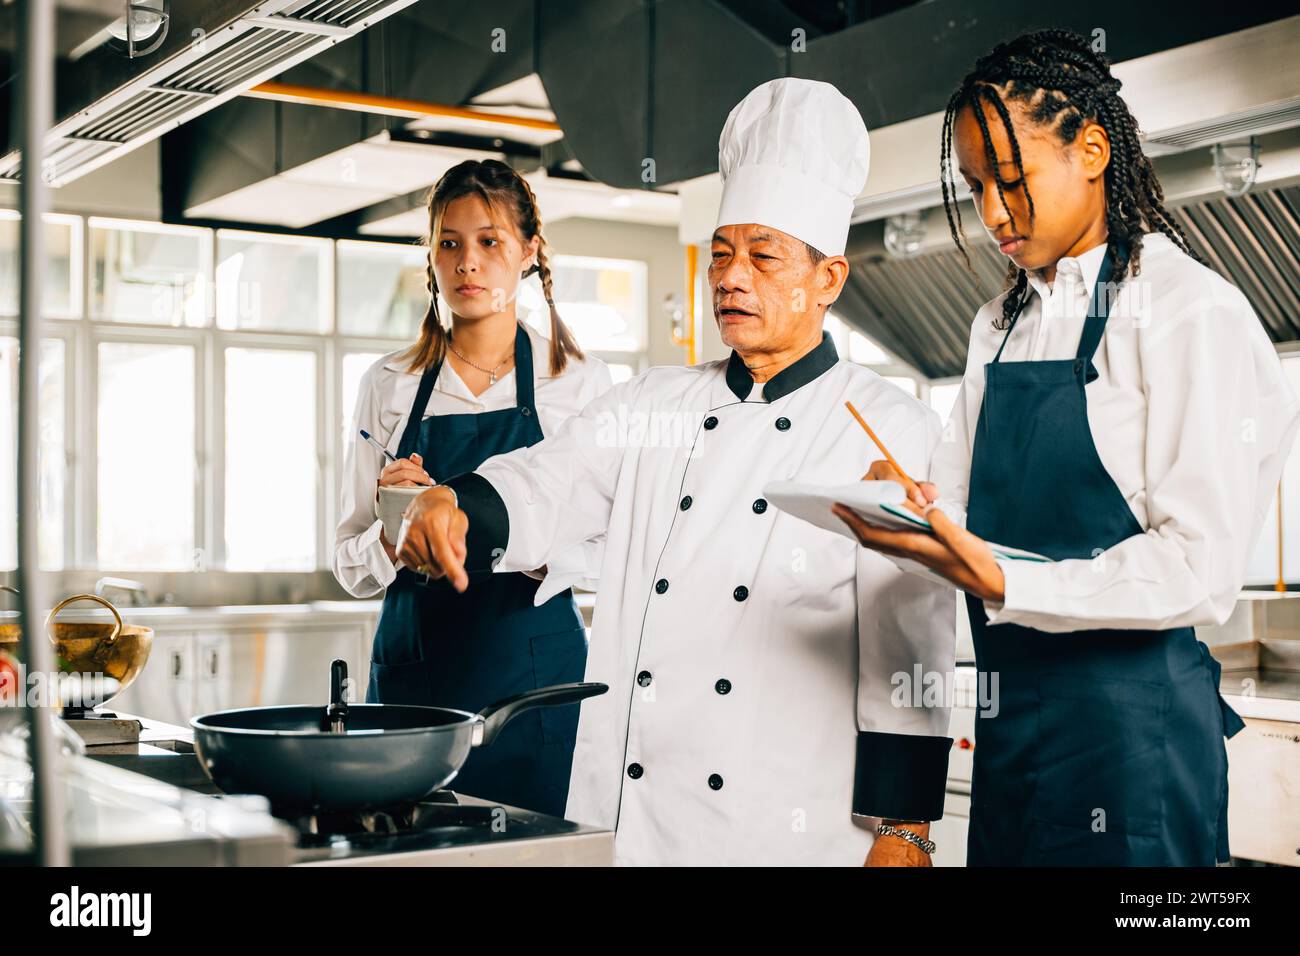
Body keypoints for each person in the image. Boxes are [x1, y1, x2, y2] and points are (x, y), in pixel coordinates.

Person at [394, 78, 956, 866]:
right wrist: (459, 502)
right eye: (722, 253)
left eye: (763, 258)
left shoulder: (889, 427)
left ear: (828, 280)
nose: (731, 277)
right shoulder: (657, 400)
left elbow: (911, 645)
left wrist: (904, 829)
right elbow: (552, 477)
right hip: (635, 822)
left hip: (785, 825)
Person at [837, 30, 1300, 866]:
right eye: (976, 186)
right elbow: (957, 514)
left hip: (1137, 745)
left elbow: (1199, 566)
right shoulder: (998, 323)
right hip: (1012, 733)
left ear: (1092, 150)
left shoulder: (1191, 311)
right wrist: (904, 510)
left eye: (1012, 181)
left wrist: (1005, 578)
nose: (991, 214)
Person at [332, 159, 613, 817]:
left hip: (534, 673)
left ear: (529, 253)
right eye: (449, 243)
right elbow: (348, 565)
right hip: (416, 673)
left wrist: (524, 542)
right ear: (430, 256)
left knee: (536, 855)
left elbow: (611, 551)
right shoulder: (390, 382)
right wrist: (394, 533)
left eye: (489, 242)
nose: (468, 264)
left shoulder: (577, 382)